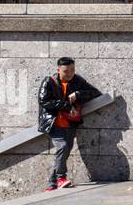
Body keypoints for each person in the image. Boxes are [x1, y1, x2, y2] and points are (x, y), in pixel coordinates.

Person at [36, 57, 102, 192]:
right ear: (58, 70)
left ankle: (52, 183)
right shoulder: (49, 81)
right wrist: (65, 104)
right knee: (63, 146)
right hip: (53, 122)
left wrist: (78, 94)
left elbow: (95, 93)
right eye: (66, 71)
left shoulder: (77, 80)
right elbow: (44, 101)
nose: (70, 73)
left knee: (64, 151)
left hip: (71, 122)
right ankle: (61, 178)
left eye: (72, 70)